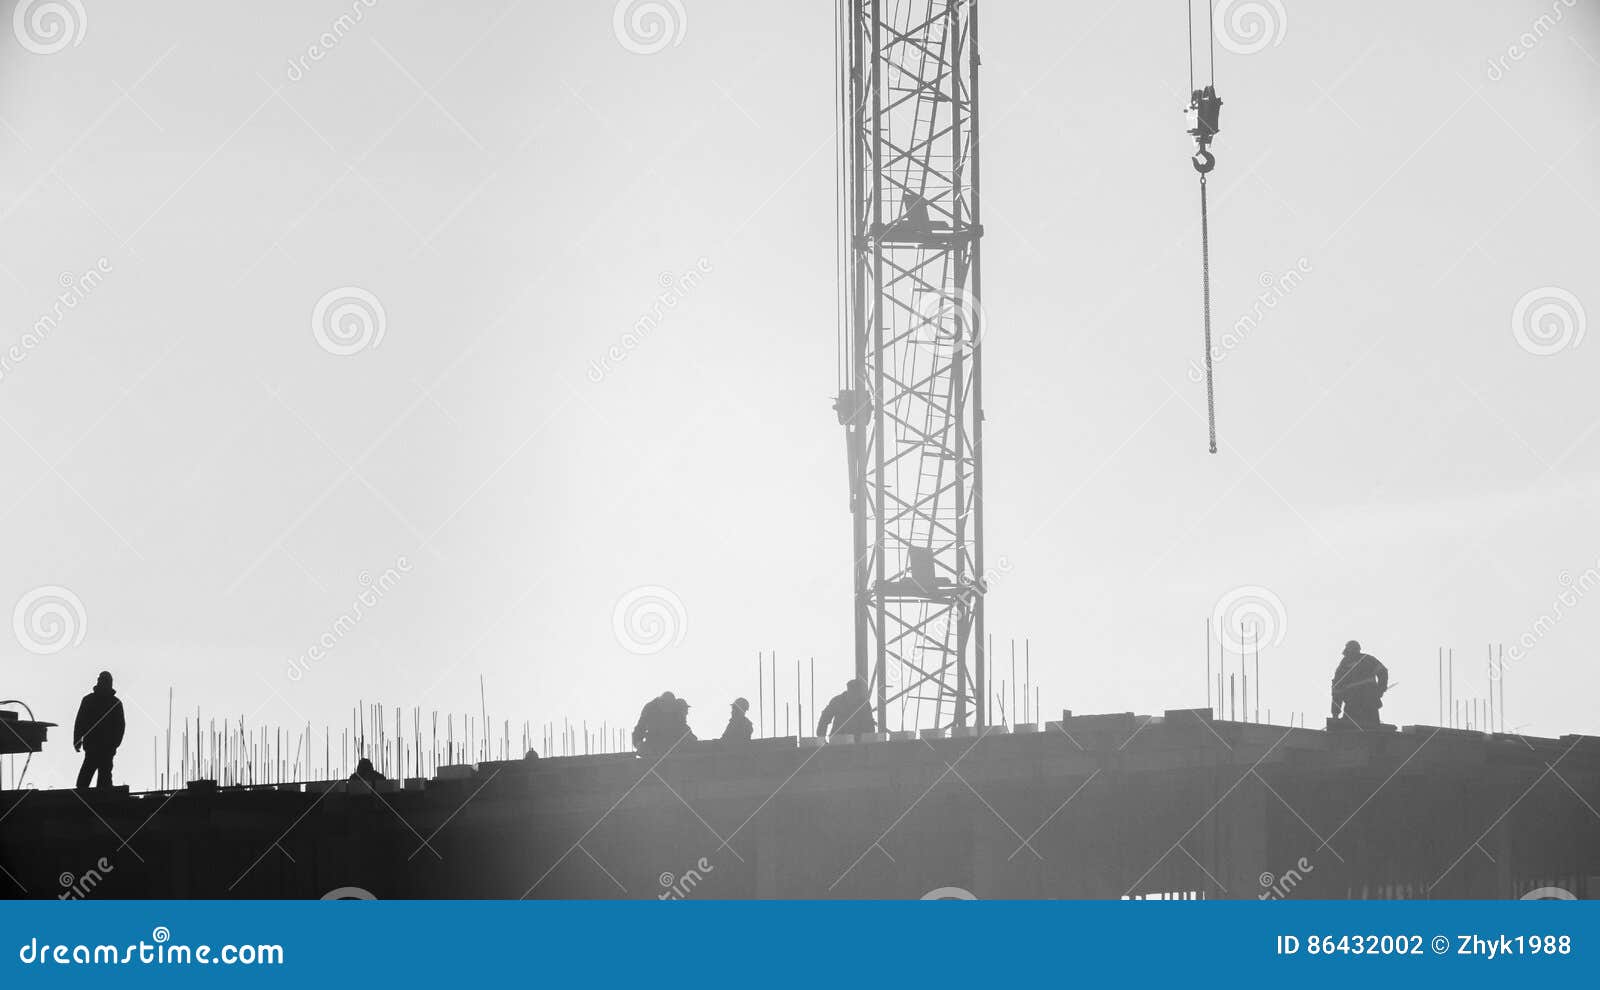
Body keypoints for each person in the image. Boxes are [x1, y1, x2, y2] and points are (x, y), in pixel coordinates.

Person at [73, 671, 126, 790]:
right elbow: (80, 721)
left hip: (103, 747)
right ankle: (88, 800)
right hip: (97, 746)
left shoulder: (111, 703)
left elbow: (120, 726)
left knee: (100, 778)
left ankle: (87, 800)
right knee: (92, 777)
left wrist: (77, 740)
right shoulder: (113, 703)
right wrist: (77, 740)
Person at [1331, 640, 1388, 729]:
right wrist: (1380, 690)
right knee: (1372, 731)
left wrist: (1335, 713)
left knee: (1351, 731)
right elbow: (1383, 672)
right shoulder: (1368, 659)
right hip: (1368, 703)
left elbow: (1337, 691)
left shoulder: (1343, 666)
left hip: (1354, 705)